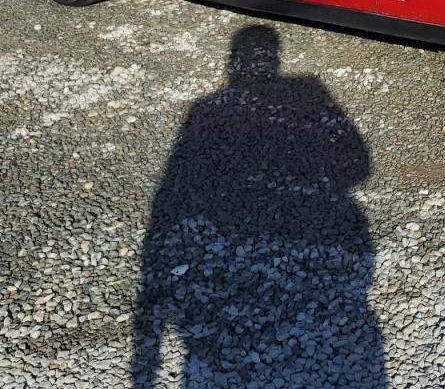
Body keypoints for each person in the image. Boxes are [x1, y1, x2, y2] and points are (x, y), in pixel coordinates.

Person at [131, 25, 384, 388]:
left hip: (235, 261)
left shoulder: (206, 110)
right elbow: (358, 164)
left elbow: (176, 189)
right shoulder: (308, 92)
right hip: (312, 252)